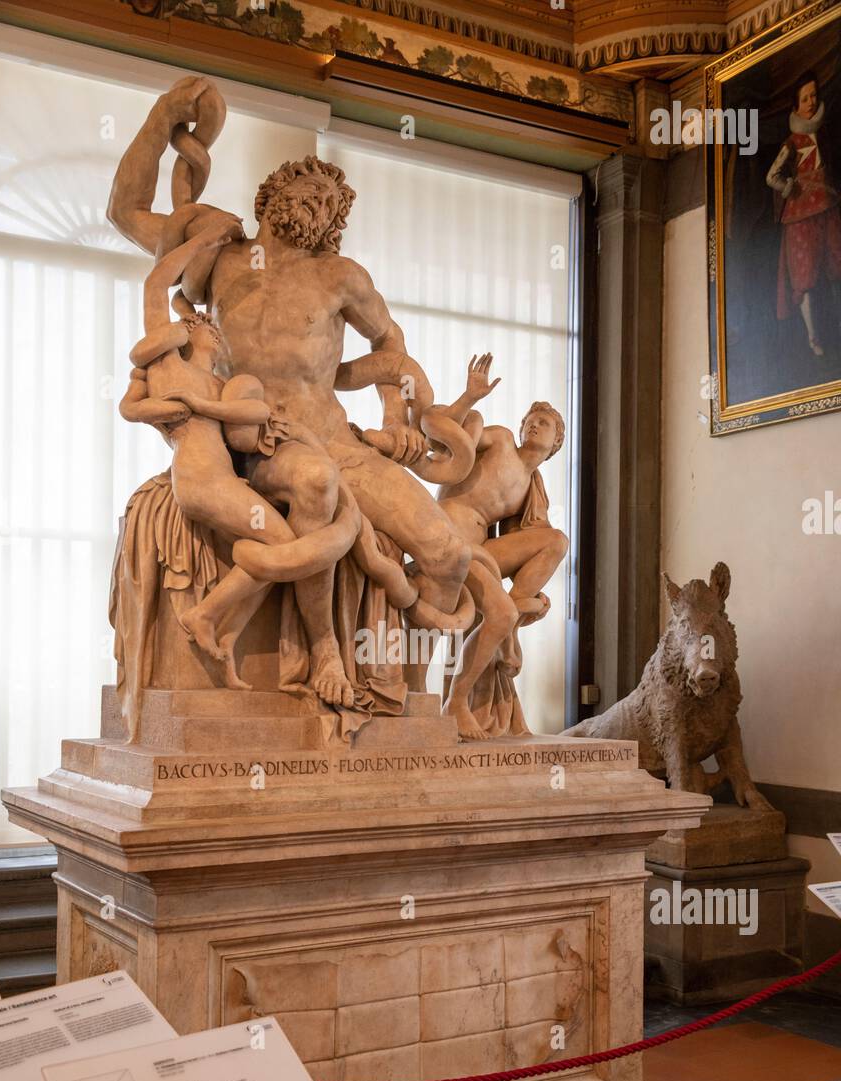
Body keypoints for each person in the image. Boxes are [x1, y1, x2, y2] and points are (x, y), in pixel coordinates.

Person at [108, 75, 473, 701]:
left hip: (339, 439)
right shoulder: (219, 256)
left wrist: (392, 418)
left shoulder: (342, 277)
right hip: (256, 446)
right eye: (310, 185)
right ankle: (324, 650)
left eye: (334, 198)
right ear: (272, 194)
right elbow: (125, 211)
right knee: (311, 482)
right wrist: (161, 117)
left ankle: (416, 708)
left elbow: (392, 349)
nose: (322, 199)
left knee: (448, 553)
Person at [119, 224, 360, 697]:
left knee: (279, 551)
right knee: (280, 549)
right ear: (192, 332)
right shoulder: (170, 366)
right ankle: (205, 615)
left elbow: (247, 421)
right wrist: (206, 241)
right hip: (200, 483)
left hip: (226, 481)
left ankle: (222, 635)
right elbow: (155, 285)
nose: (216, 332)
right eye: (209, 326)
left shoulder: (217, 387)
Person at [434, 356, 569, 740]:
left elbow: (532, 548)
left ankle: (514, 613)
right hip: (445, 536)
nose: (533, 424)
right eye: (530, 420)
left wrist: (533, 596)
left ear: (556, 441)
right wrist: (469, 397)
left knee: (556, 540)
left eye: (544, 423)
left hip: (480, 552)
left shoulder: (532, 490)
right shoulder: (500, 440)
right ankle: (456, 702)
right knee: (503, 614)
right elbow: (447, 436)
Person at [766, 70, 841, 357]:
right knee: (805, 276)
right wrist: (789, 187)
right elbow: (772, 176)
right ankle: (814, 338)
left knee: (836, 267)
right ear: (795, 106)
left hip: (828, 207)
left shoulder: (826, 136)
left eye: (813, 96)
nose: (811, 102)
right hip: (800, 215)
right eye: (805, 98)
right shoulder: (792, 143)